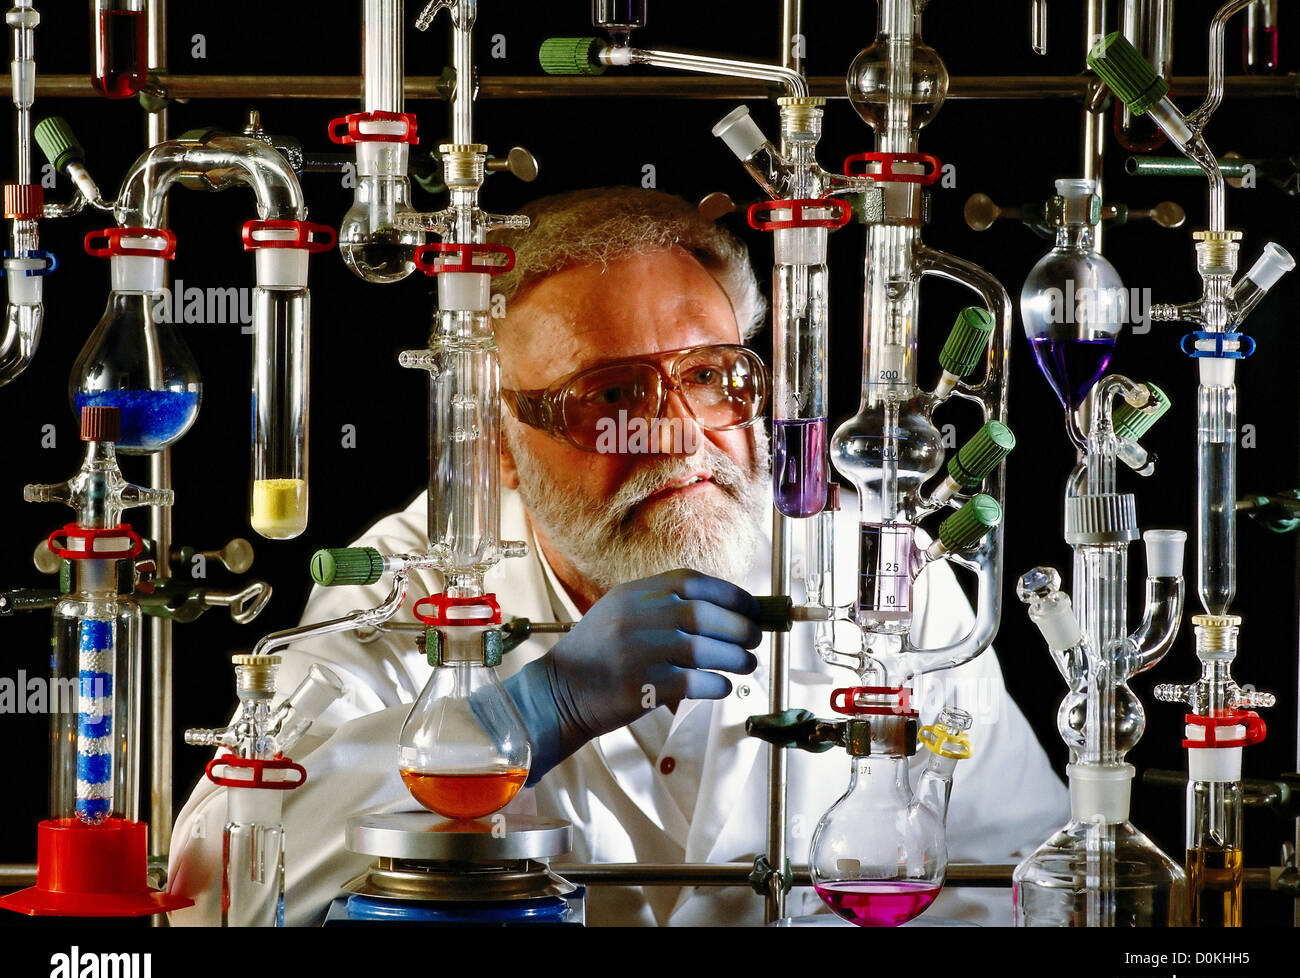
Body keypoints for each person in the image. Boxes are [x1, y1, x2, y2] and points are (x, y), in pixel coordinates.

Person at [168, 187, 1067, 926]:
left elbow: (1032, 882)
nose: (678, 434)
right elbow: (214, 893)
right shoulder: (410, 586)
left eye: (712, 376)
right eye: (614, 392)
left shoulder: (878, 574)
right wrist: (529, 714)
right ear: (494, 445)